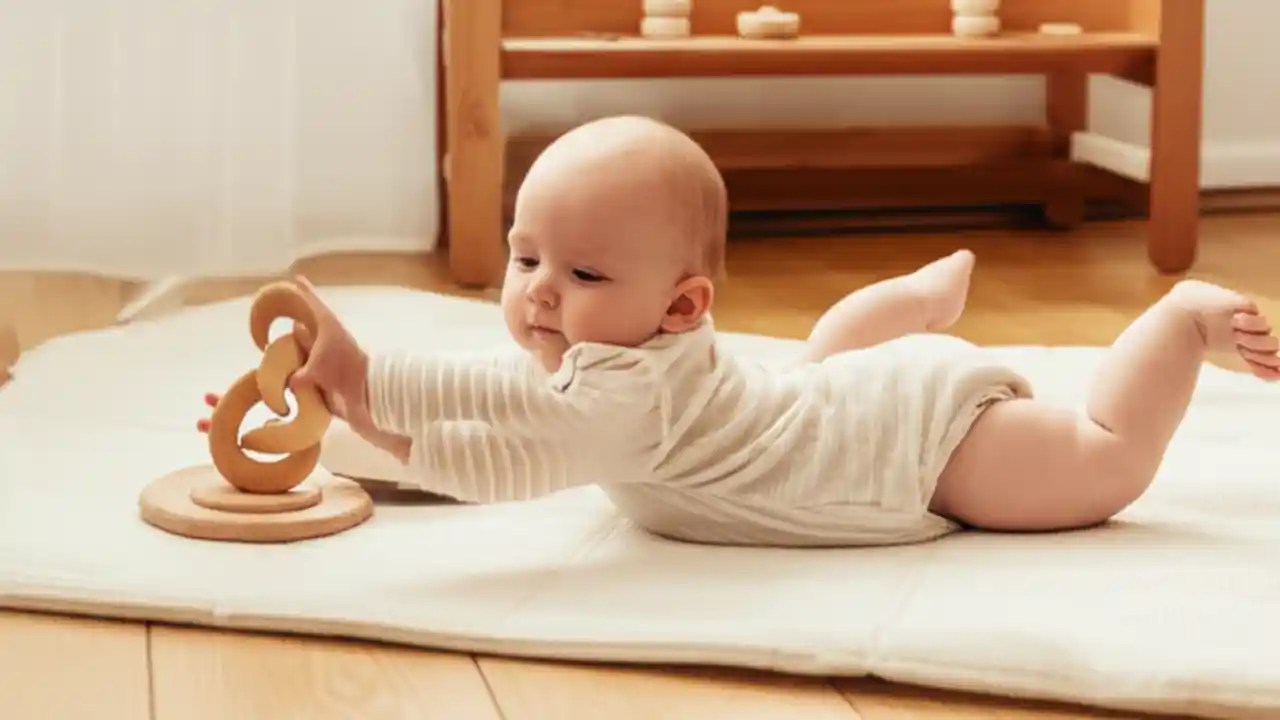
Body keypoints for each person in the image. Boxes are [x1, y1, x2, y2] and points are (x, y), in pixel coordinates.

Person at [198, 115, 1279, 547]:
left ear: (680, 309)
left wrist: (375, 397)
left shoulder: (623, 401)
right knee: (809, 373)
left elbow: (506, 455)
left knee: (1099, 466)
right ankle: (906, 304)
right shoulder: (616, 353)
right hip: (822, 407)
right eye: (525, 256)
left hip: (922, 447)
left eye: (579, 273)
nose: (534, 292)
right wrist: (341, 403)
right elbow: (489, 386)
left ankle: (1175, 327)